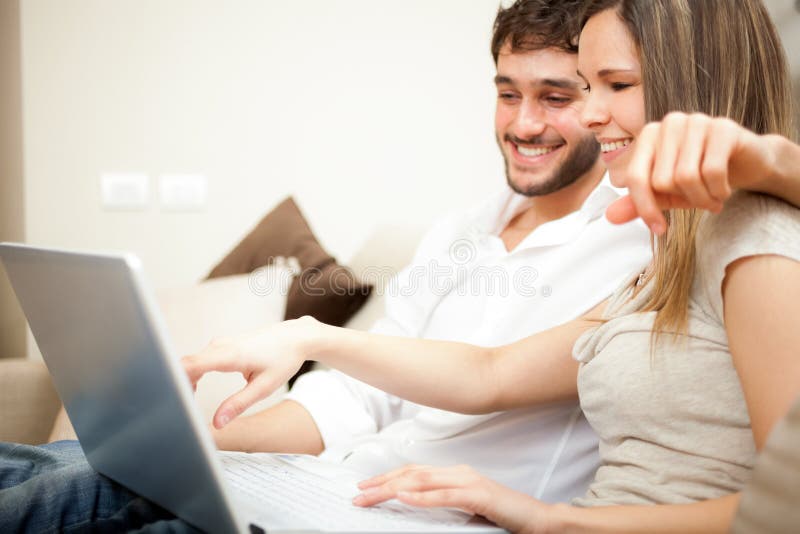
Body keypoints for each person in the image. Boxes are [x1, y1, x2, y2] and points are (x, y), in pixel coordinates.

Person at [0, 1, 654, 531]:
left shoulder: (636, 242)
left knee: (80, 489)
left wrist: (310, 339)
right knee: (55, 465)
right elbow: (358, 392)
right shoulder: (465, 228)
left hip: (436, 518)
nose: (524, 122)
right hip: (333, 485)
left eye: (555, 97)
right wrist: (205, 447)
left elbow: (488, 376)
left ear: (600, 98)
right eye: (508, 93)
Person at [180, 0, 800, 532]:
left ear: (691, 87)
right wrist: (308, 339)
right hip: (368, 490)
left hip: (500, 519)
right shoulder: (662, 262)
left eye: (607, 86)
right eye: (587, 87)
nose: (586, 114)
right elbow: (489, 374)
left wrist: (545, 517)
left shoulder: (712, 233)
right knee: (101, 479)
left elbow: (786, 510)